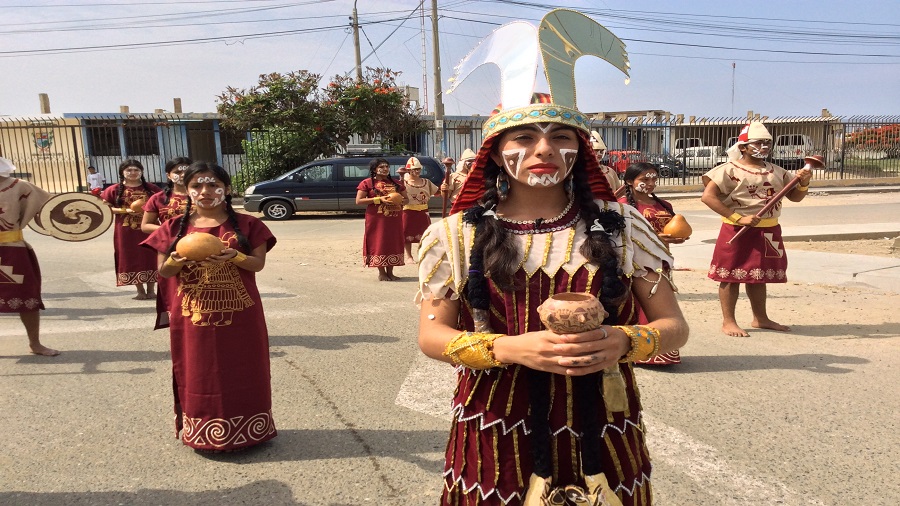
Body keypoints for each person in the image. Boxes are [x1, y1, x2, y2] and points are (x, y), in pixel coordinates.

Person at [141, 161, 277, 452]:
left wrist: (233, 257)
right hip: (193, 314)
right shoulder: (172, 228)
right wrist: (178, 259)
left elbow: (258, 265)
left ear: (226, 189)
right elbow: (163, 272)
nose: (205, 191)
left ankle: (250, 430)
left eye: (213, 184)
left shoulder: (250, 225)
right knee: (198, 369)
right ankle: (203, 430)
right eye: (197, 186)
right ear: (187, 191)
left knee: (243, 367)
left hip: (240, 313)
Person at [700, 121, 813, 337]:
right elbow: (708, 197)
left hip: (769, 230)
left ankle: (760, 318)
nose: (764, 147)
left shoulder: (778, 172)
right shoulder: (728, 170)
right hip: (736, 231)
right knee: (730, 276)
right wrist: (736, 217)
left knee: (758, 276)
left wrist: (804, 183)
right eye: (758, 142)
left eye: (767, 143)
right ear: (743, 147)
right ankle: (729, 321)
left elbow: (795, 197)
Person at [618, 162, 688, 365]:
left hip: (661, 260)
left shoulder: (664, 204)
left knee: (661, 305)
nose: (650, 183)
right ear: (630, 181)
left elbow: (672, 230)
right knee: (638, 303)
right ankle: (635, 351)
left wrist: (676, 238)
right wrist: (656, 237)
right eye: (644, 179)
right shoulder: (621, 205)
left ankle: (661, 351)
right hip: (636, 262)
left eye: (654, 179)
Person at [0, 157, 59, 356]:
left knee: (27, 296)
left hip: (12, 248)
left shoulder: (20, 187)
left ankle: (35, 343)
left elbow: (50, 210)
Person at [141, 157, 192, 328]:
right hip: (170, 249)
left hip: (200, 247)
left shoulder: (203, 196)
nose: (182, 174)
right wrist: (169, 232)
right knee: (174, 288)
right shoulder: (158, 198)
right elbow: (145, 225)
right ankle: (179, 322)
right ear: (168, 175)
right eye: (177, 171)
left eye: (186, 170)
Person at [101, 159, 161, 300]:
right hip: (126, 231)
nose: (133, 173)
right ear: (122, 172)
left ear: (141, 172)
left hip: (149, 228)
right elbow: (105, 208)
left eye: (136, 170)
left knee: (151, 255)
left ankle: (151, 289)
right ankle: (140, 290)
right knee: (131, 257)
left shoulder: (152, 188)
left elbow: (163, 204)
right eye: (129, 170)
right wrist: (125, 210)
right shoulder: (113, 190)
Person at [355, 157, 408, 281]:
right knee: (379, 242)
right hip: (376, 219)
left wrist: (398, 199)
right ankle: (382, 273)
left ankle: (390, 272)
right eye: (381, 167)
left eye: (387, 167)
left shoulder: (397, 183)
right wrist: (379, 199)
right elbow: (359, 201)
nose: (385, 169)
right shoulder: (367, 183)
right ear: (375, 169)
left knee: (393, 242)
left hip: (394, 218)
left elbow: (407, 199)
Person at [400, 156, 439, 263]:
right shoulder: (404, 182)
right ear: (408, 170)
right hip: (408, 211)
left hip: (423, 211)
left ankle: (423, 255)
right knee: (407, 234)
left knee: (425, 234)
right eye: (414, 170)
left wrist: (445, 189)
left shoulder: (426, 182)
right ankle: (409, 256)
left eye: (418, 169)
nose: (417, 172)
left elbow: (437, 192)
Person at [591, 131, 623, 195]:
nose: (599, 153)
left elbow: (619, 193)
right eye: (596, 150)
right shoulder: (576, 171)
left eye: (601, 150)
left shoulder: (610, 171)